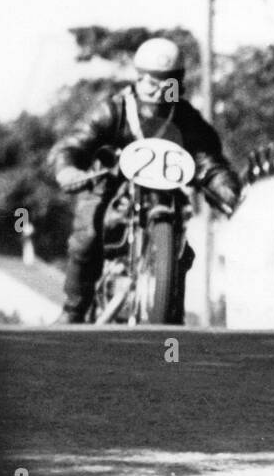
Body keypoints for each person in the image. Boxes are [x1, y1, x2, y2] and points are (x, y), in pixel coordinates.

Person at [50, 37, 242, 323]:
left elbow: (208, 162)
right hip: (112, 186)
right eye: (150, 81)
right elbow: (73, 144)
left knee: (184, 250)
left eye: (167, 82)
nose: (157, 89)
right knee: (87, 237)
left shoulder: (187, 119)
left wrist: (228, 191)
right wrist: (68, 169)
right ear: (138, 78)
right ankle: (73, 310)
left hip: (164, 192)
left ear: (179, 84)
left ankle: (169, 307)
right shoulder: (113, 110)